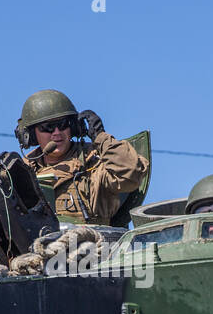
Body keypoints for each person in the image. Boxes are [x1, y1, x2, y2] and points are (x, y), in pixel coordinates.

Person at [16, 90, 148, 225]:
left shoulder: (94, 162)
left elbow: (130, 173)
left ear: (73, 127)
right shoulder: (22, 172)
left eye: (63, 125)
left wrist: (101, 137)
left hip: (92, 242)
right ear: (30, 135)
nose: (57, 133)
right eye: (47, 127)